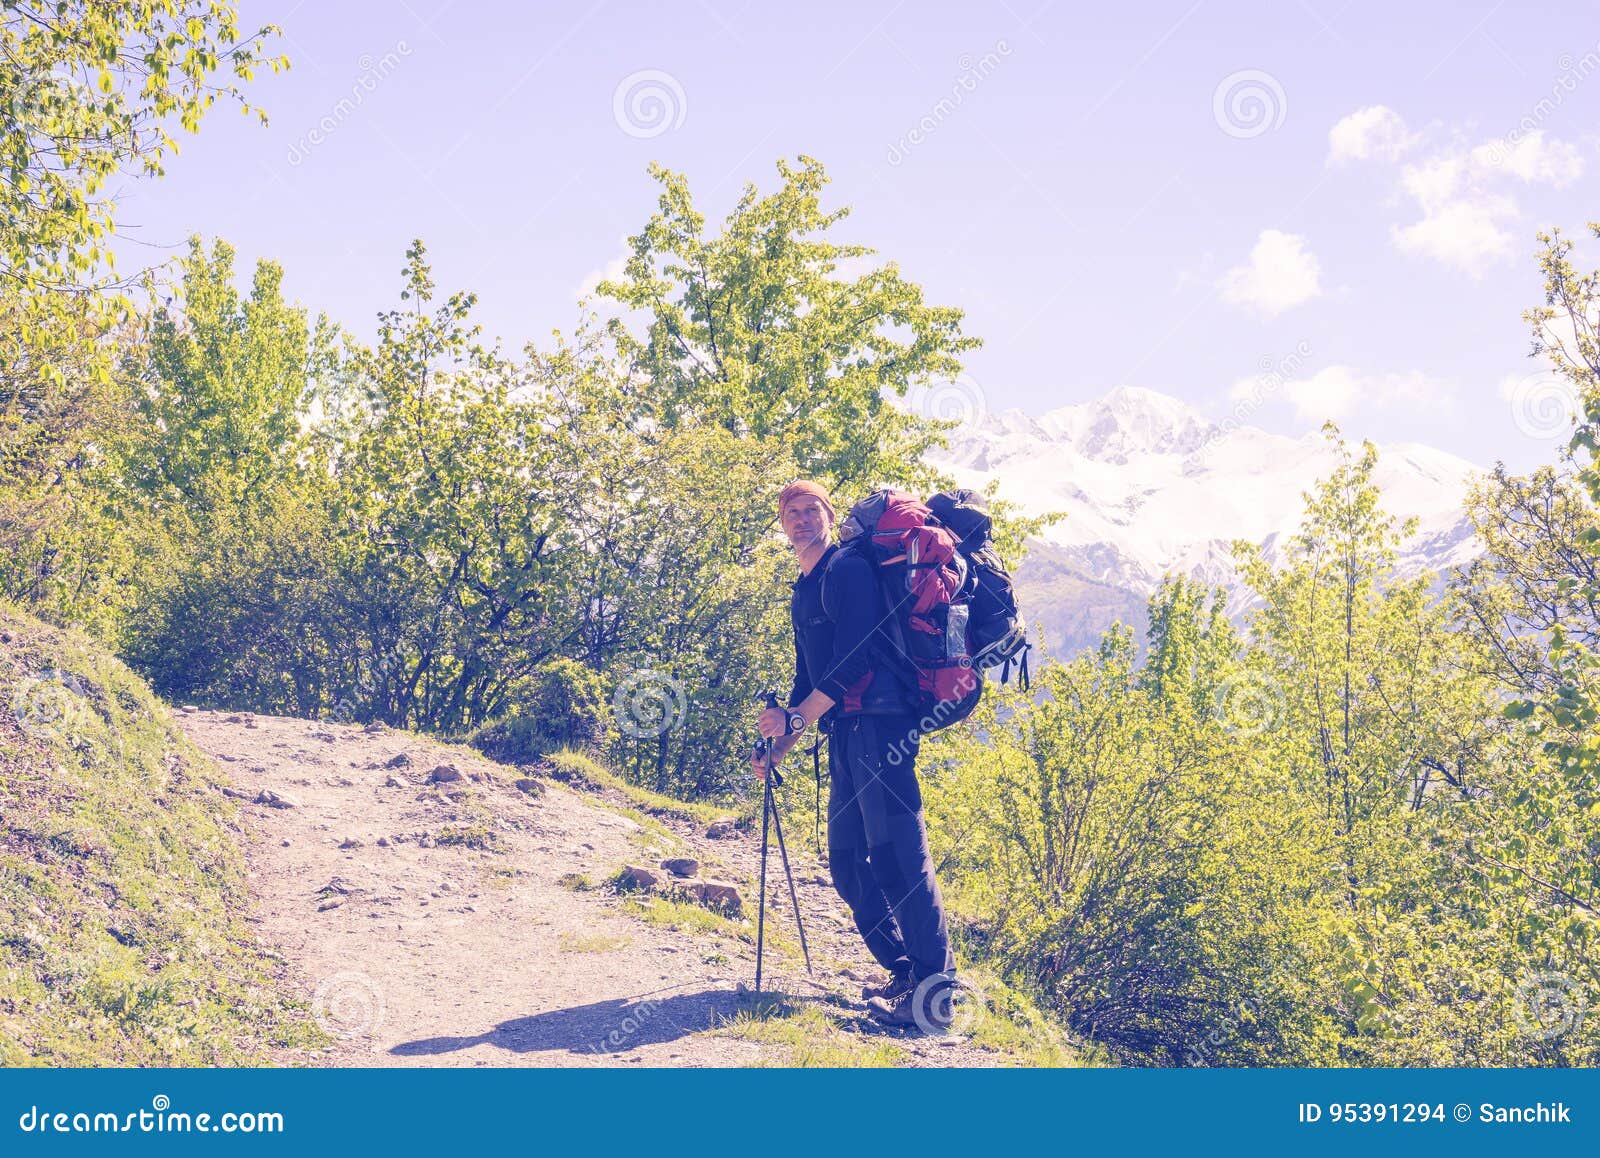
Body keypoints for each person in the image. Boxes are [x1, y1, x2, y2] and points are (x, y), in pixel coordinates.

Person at [754, 479, 957, 1030]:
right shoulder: (804, 587)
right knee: (846, 863)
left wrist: (796, 719)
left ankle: (936, 996)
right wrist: (782, 746)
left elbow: (854, 661)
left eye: (810, 509)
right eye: (790, 512)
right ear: (781, 524)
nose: (800, 519)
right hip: (844, 732)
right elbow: (810, 675)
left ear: (828, 514)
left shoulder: (848, 570)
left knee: (899, 858)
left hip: (883, 727)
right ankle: (905, 972)